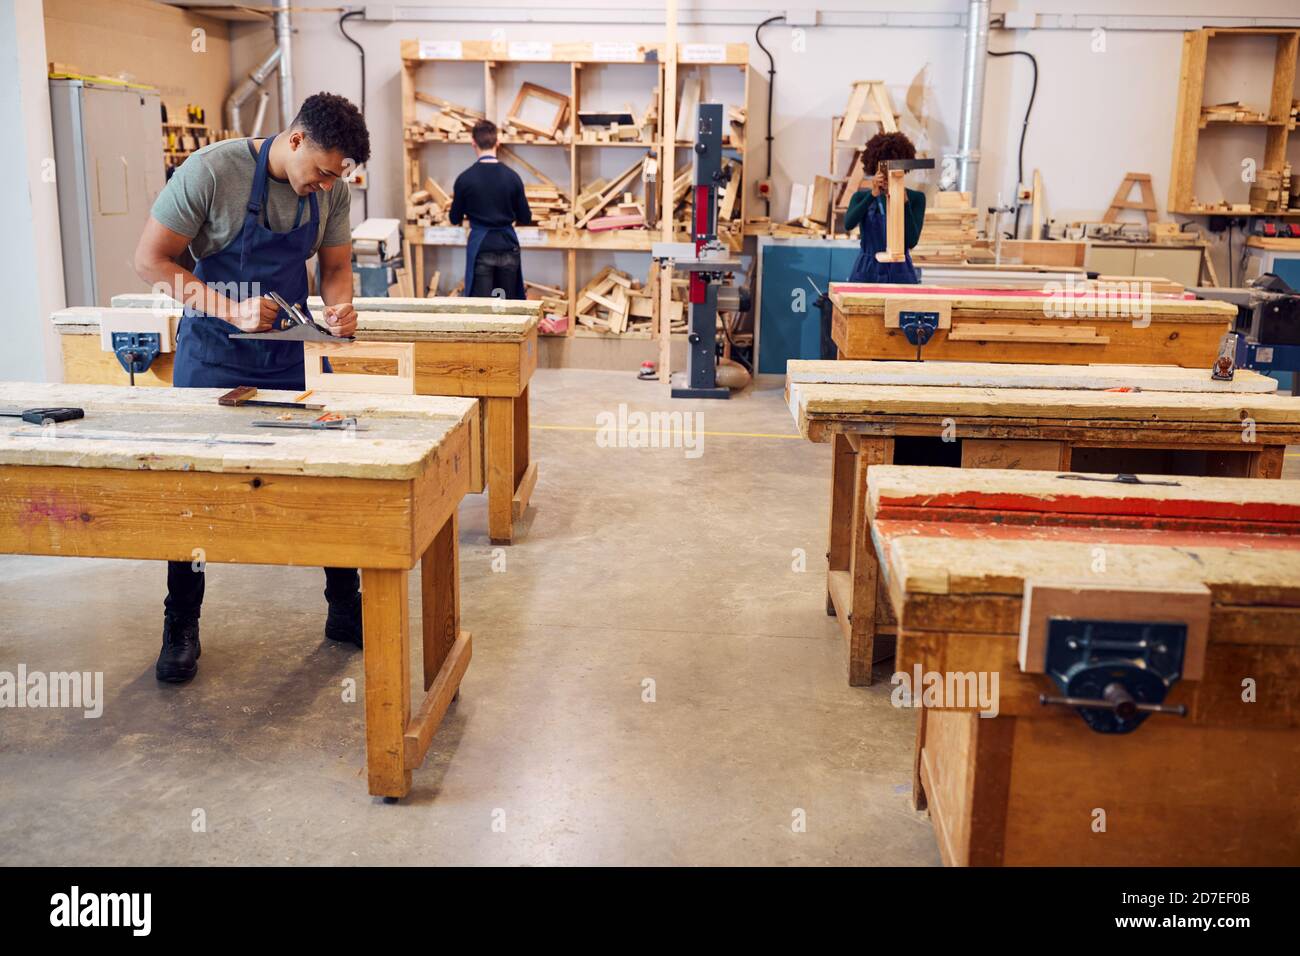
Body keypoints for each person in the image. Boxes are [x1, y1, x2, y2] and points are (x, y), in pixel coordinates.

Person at [132, 92, 370, 683]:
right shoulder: (213, 171)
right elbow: (151, 261)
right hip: (213, 351)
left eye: (336, 177)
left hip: (289, 350)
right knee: (192, 485)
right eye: (319, 171)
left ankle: (344, 603)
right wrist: (228, 309)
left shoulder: (332, 189)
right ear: (294, 141)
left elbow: (336, 269)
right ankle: (180, 622)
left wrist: (340, 311)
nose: (325, 185)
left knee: (330, 474)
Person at [449, 120, 533, 298]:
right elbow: (525, 217)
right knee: (506, 305)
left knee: (483, 309)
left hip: (481, 247)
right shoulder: (513, 178)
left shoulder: (464, 179)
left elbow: (454, 218)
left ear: (473, 143)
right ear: (497, 143)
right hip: (508, 245)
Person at [844, 131, 927, 284]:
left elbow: (911, 241)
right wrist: (872, 195)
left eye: (895, 166)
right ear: (874, 167)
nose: (889, 172)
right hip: (867, 269)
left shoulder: (916, 198)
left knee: (903, 307)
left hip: (900, 270)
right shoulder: (861, 197)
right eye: (884, 167)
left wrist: (905, 204)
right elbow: (848, 224)